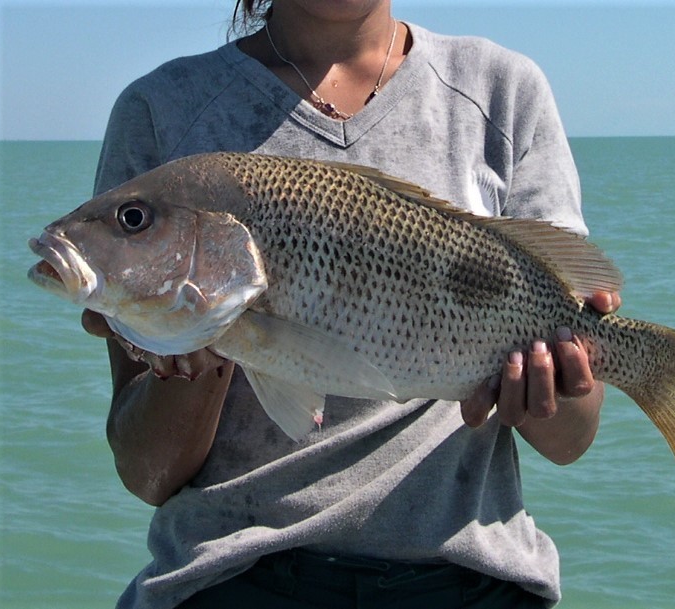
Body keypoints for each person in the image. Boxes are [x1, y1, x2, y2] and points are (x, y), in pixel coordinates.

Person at [82, 1, 621, 607]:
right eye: (133, 221)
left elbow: (570, 438)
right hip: (230, 578)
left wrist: (555, 383)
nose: (130, 225)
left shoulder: (501, 91)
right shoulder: (163, 109)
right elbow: (149, 471)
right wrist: (197, 347)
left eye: (133, 220)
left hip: (469, 576)